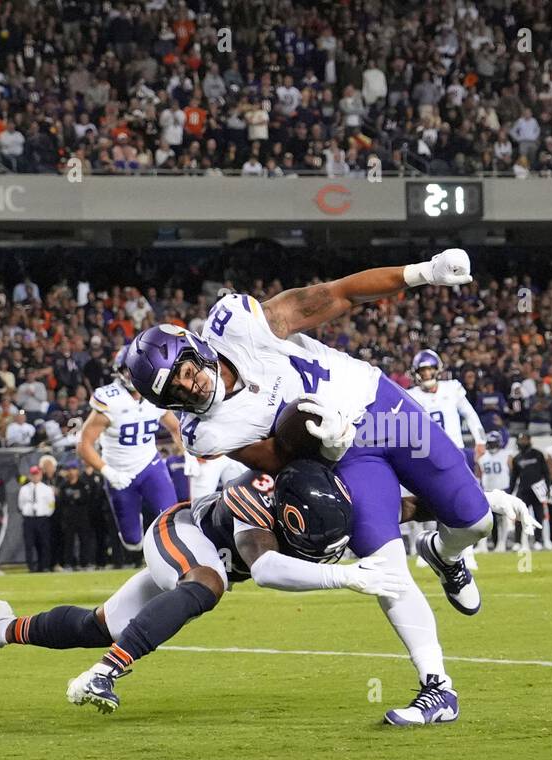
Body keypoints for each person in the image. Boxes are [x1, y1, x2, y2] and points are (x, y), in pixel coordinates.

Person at [122, 250, 493, 724]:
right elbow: (278, 459)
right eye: (174, 389)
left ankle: (445, 553)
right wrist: (329, 446)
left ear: (196, 350)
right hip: (345, 454)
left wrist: (422, 274)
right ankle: (437, 687)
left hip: (380, 404)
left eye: (188, 371)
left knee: (476, 518)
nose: (190, 387)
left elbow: (338, 293)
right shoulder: (205, 431)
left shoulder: (239, 323)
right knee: (384, 566)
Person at [0, 459, 536, 721]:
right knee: (208, 582)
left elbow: (416, 503)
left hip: (212, 563)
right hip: (178, 533)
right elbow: (272, 569)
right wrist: (345, 575)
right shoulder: (255, 504)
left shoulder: (341, 501)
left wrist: (487, 504)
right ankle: (108, 672)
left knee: (94, 623)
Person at [78, 348, 183, 554]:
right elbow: (83, 444)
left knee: (173, 520)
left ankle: (170, 559)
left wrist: (188, 453)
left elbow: (175, 427)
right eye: (130, 370)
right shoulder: (111, 399)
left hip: (150, 466)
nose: (135, 375)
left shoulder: (156, 394)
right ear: (119, 371)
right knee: (132, 541)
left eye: (140, 369)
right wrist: (108, 472)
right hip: (120, 473)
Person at [410, 349, 487, 567]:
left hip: (454, 452)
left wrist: (479, 440)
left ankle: (467, 551)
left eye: (429, 369)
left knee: (462, 501)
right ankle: (426, 549)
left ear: (438, 370)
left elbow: (469, 414)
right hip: (426, 454)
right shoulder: (411, 395)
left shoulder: (452, 388)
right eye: (422, 371)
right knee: (426, 502)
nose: (426, 374)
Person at [55, 459, 97, 569]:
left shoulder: (83, 484)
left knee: (84, 540)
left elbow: (87, 500)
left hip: (82, 517)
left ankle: (85, 563)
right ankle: (69, 563)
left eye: (73, 469)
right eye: (69, 469)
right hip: (68, 518)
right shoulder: (63, 485)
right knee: (68, 542)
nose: (71, 472)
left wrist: (73, 499)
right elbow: (62, 501)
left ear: (77, 471)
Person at [509, 432, 548, 549]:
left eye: (525, 440)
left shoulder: (538, 454)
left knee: (539, 516)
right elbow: (513, 477)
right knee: (520, 517)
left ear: (530, 440)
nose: (523, 442)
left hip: (537, 490)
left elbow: (546, 473)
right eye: (521, 440)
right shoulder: (516, 458)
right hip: (523, 490)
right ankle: (518, 541)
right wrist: (510, 493)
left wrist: (548, 488)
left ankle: (538, 541)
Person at [477, 431, 513, 550]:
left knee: (502, 518)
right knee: (487, 519)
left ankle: (501, 543)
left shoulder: (506, 455)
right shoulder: (482, 456)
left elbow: (512, 472)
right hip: (487, 490)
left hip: (502, 489)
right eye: (490, 444)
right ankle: (484, 544)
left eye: (494, 444)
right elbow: (479, 474)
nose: (492, 446)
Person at [18, 465, 55, 572]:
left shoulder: (46, 489)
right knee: (29, 544)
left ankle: (44, 566)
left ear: (40, 474)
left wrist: (46, 513)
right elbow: (21, 504)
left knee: (44, 543)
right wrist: (27, 511)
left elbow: (51, 504)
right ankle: (31, 567)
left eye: (37, 474)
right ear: (30, 475)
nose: (35, 477)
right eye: (33, 474)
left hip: (42, 518)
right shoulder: (24, 489)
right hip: (29, 518)